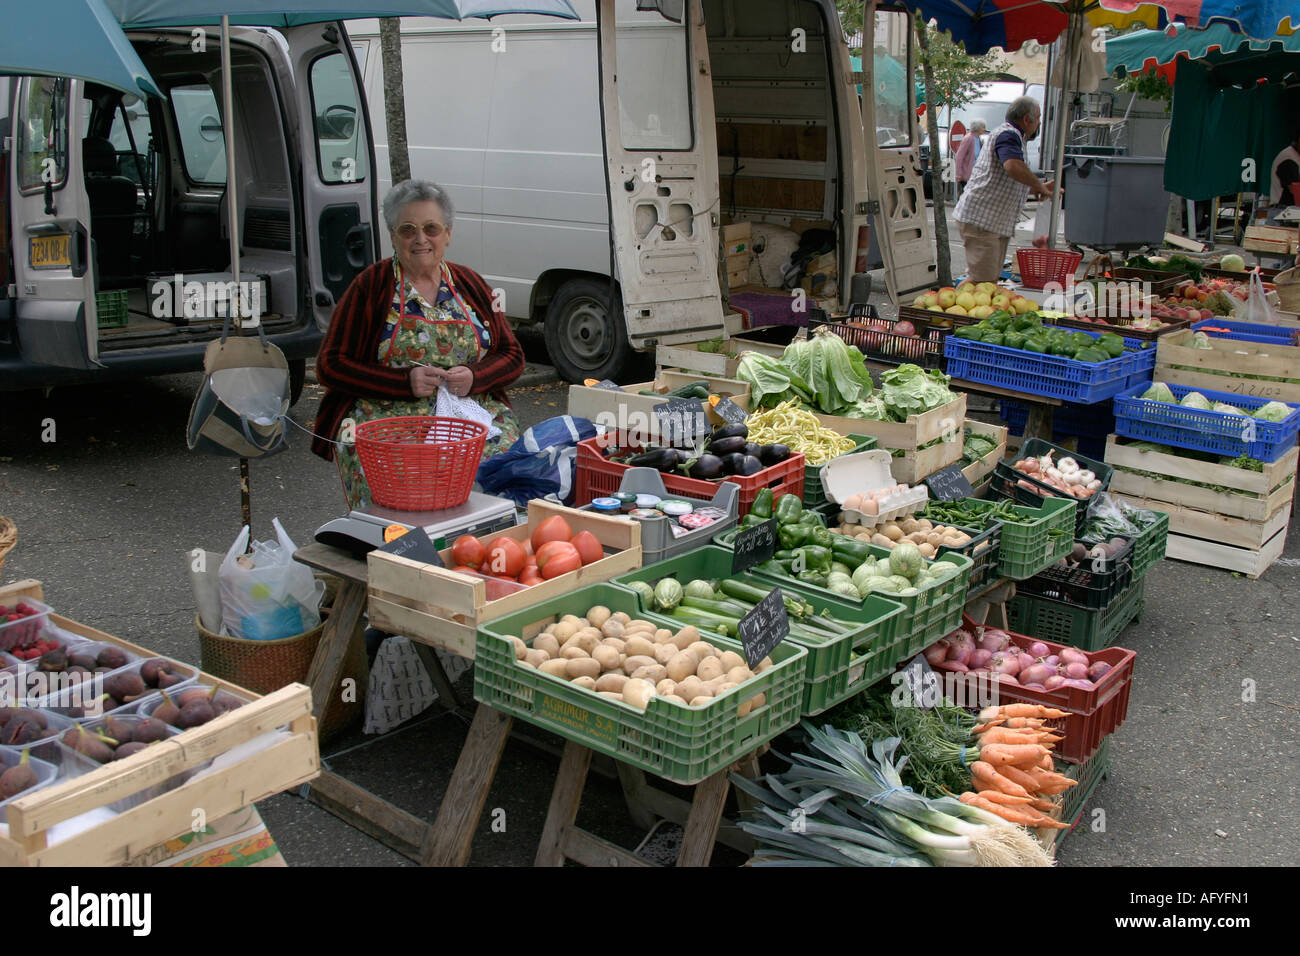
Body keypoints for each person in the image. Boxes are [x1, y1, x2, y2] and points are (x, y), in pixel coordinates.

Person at [311, 179, 524, 509]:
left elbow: (512, 355)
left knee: (504, 479)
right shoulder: (369, 287)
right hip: (384, 422)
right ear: (393, 236)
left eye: (431, 228)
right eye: (408, 230)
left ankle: (478, 551)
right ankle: (400, 556)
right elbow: (331, 364)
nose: (421, 239)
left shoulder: (472, 285)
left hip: (469, 419)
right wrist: (403, 382)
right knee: (403, 498)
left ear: (448, 233)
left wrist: (474, 377)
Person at [953, 97, 1055, 282]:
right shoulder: (1009, 135)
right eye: (1038, 117)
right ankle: (948, 312)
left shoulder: (1012, 136)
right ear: (1026, 119)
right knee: (982, 282)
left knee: (986, 281)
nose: (1039, 122)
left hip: (992, 223)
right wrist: (1037, 185)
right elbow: (1012, 166)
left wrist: (1037, 188)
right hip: (982, 221)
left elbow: (1006, 180)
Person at [1268, 129, 1300, 221]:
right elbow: (1295, 190)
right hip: (1282, 212)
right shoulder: (1289, 159)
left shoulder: (1296, 157)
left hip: (1289, 212)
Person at [954, 119, 986, 195]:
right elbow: (959, 156)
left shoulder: (979, 139)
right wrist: (959, 174)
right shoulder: (968, 138)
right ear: (977, 128)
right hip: (967, 174)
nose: (984, 129)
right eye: (983, 127)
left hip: (975, 173)